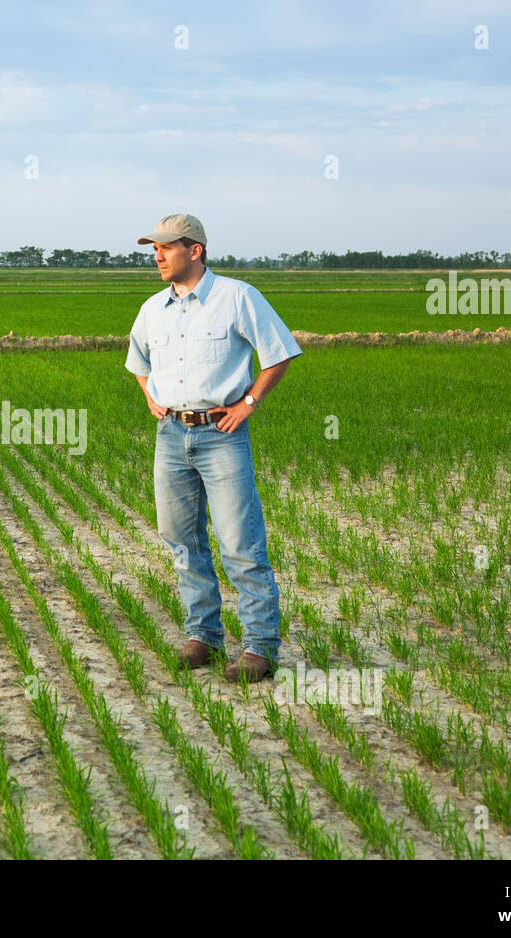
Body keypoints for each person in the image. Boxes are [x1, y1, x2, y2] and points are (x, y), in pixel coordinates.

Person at [124, 213, 302, 683]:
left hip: (221, 434)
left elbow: (279, 351)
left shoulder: (237, 297)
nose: (157, 255)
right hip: (170, 436)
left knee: (241, 543)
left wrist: (249, 402)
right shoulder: (151, 309)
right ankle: (203, 636)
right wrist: (149, 395)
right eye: (154, 248)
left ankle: (260, 646)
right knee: (183, 540)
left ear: (195, 250)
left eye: (166, 247)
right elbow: (138, 359)